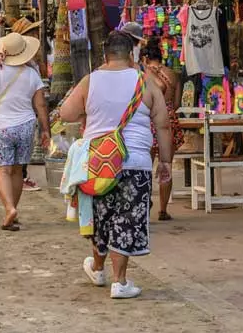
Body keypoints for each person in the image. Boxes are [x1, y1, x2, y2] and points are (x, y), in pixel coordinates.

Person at [63, 30, 173, 299]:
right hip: (136, 161)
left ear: (105, 55)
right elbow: (163, 124)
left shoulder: (91, 81)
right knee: (126, 219)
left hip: (99, 162)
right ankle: (119, 281)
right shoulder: (145, 82)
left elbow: (66, 113)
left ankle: (99, 268)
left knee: (101, 217)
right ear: (132, 54)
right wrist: (166, 162)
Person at [0, 33, 49, 231]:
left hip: (1, 126)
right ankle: (13, 208)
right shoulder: (32, 74)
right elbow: (41, 105)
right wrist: (45, 130)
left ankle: (9, 209)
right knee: (17, 170)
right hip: (26, 125)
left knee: (2, 169)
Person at [140, 37, 180, 221]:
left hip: (149, 121)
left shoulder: (144, 75)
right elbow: (177, 102)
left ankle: (144, 208)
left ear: (146, 58)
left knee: (145, 167)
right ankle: (163, 210)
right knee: (166, 165)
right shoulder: (172, 74)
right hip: (169, 120)